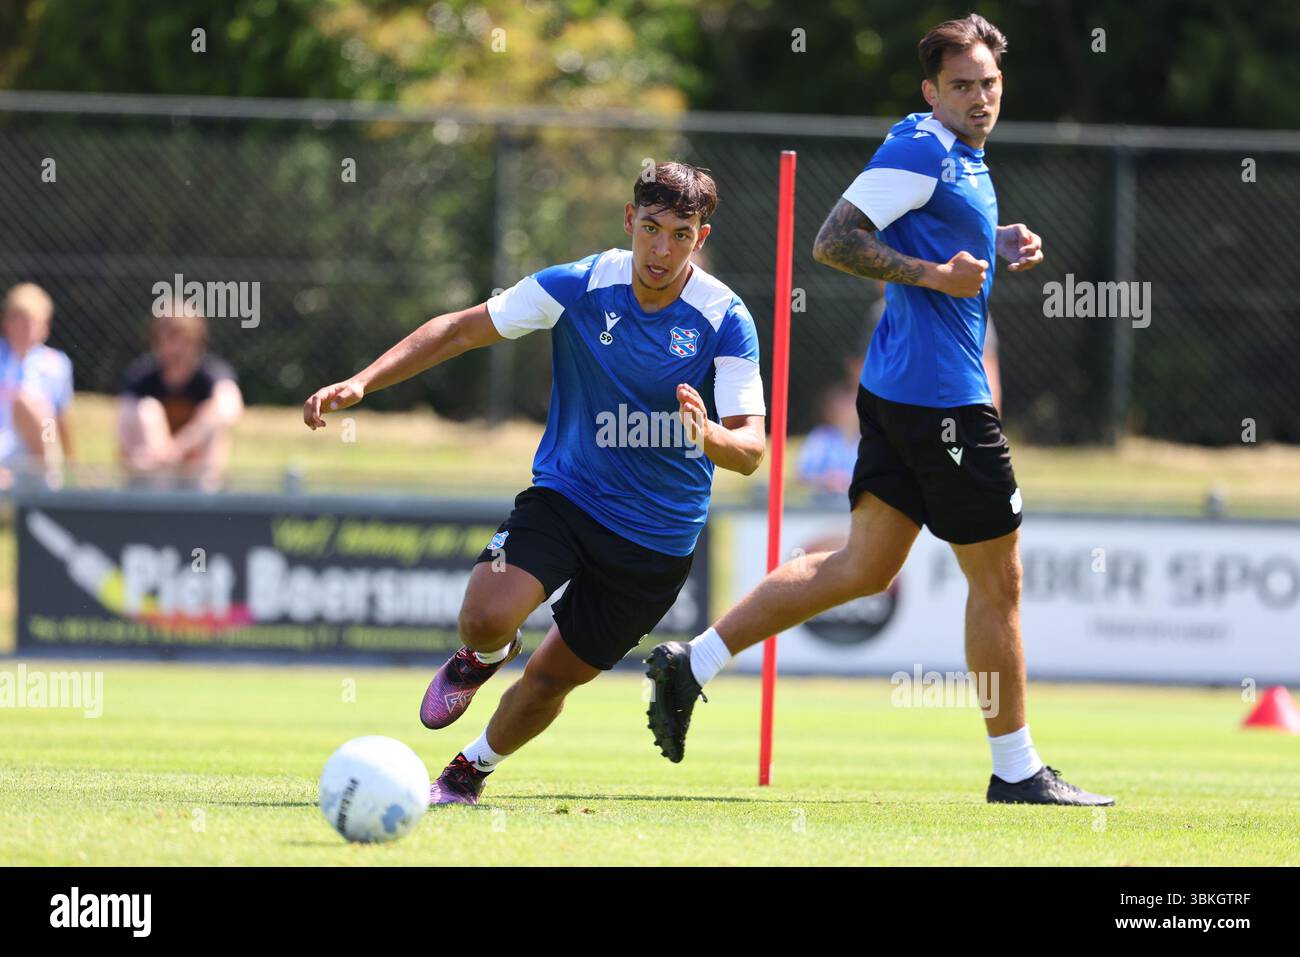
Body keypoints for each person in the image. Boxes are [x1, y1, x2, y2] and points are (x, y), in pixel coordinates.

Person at [644, 14, 1113, 806]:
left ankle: (693, 663)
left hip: (901, 397)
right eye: (962, 86)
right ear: (932, 91)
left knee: (862, 567)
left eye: (990, 84)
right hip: (943, 403)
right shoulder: (923, 147)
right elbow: (833, 240)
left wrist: (991, 243)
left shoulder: (957, 154)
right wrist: (936, 275)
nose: (980, 98)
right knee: (1000, 582)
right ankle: (1016, 771)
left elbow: (927, 224)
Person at [303, 162, 767, 806]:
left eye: (681, 234)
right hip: (569, 497)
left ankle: (467, 772)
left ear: (701, 236)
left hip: (657, 541)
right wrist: (365, 381)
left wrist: (709, 436)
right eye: (652, 228)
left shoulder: (725, 318)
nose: (662, 250)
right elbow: (462, 328)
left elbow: (750, 451)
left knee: (550, 679)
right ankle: (483, 656)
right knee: (484, 616)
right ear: (630, 220)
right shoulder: (579, 284)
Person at [117, 304, 243, 492]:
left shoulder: (211, 372)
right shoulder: (141, 377)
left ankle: (205, 505)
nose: (174, 349)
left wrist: (176, 449)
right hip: (153, 473)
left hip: (197, 468)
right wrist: (152, 457)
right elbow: (124, 434)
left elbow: (232, 408)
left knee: (213, 415)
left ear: (196, 342)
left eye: (183, 341)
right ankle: (161, 503)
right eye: (167, 340)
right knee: (147, 411)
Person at [0, 283, 74, 488]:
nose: (26, 329)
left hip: (42, 441)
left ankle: (46, 482)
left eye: (33, 322)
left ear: (45, 327)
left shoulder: (56, 364)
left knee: (30, 406)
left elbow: (58, 419)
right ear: (7, 323)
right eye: (19, 320)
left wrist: (71, 462)